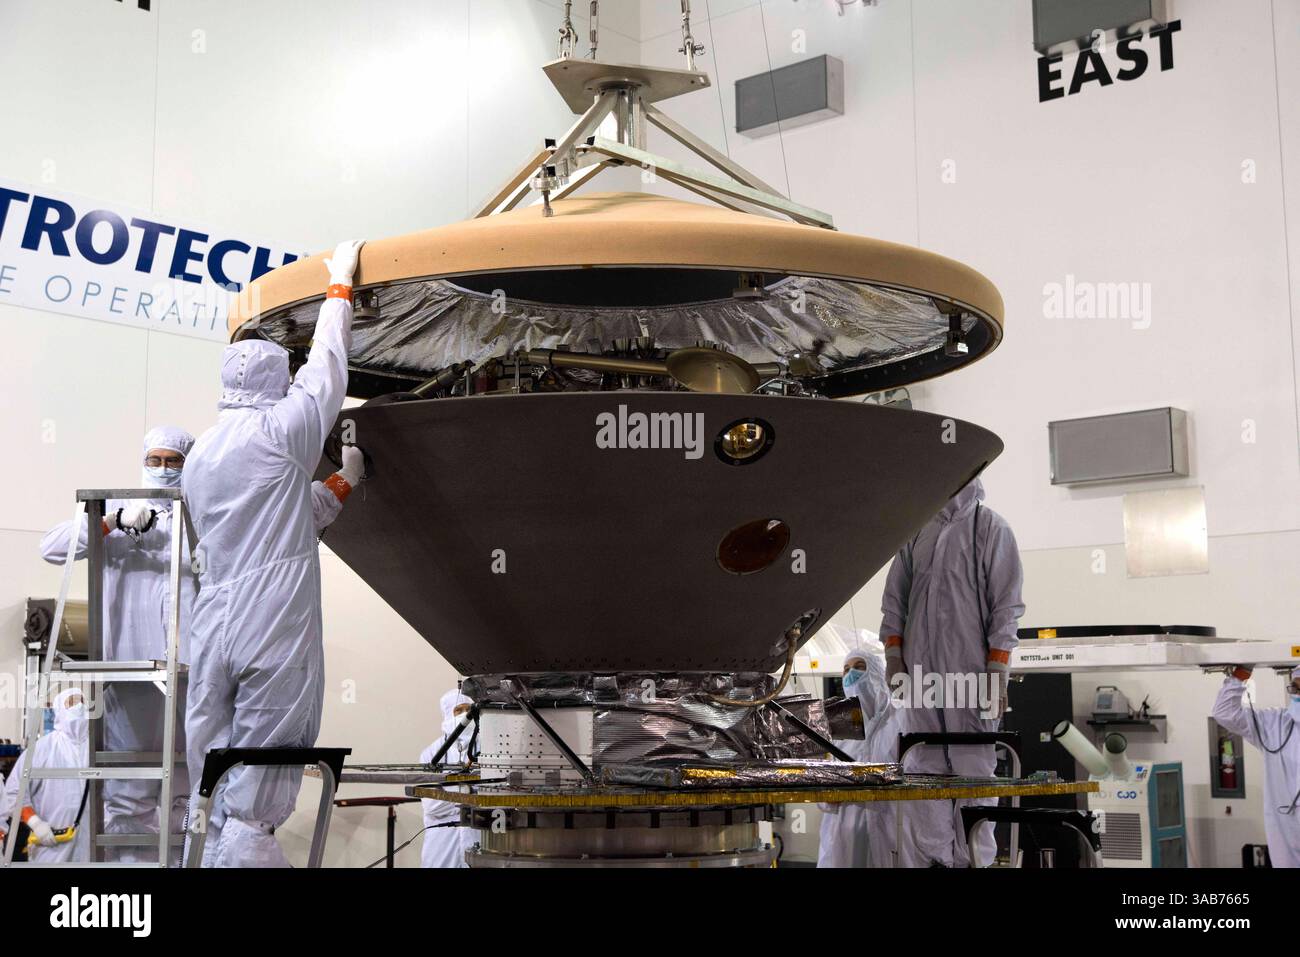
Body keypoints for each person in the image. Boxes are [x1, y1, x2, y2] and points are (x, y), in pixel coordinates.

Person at [182, 240, 367, 868]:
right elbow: (329, 370)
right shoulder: (281, 431)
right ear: (274, 380)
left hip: (214, 620)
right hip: (271, 621)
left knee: (211, 751)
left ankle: (212, 850)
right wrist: (339, 287)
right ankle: (247, 850)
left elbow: (280, 520)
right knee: (269, 753)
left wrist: (341, 484)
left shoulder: (201, 454)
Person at [38, 425, 196, 862]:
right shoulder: (115, 505)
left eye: (173, 462)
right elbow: (51, 548)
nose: (163, 470)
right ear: (142, 461)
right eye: (155, 460)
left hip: (192, 671)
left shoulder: (202, 515)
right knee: (130, 792)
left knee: (189, 790)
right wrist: (108, 522)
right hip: (128, 672)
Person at [879, 476, 1024, 867]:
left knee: (973, 773)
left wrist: (997, 669)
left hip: (971, 676)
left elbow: (1006, 607)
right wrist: (894, 653)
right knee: (924, 771)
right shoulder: (915, 532)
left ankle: (974, 861)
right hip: (921, 675)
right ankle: (935, 862)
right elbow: (895, 601)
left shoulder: (991, 528)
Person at [817, 643, 900, 868]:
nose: (851, 674)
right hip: (842, 830)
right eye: (846, 669)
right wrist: (826, 796)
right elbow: (825, 783)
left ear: (877, 673)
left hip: (887, 827)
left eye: (859, 667)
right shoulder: (840, 727)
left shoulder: (899, 721)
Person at [1213, 665, 1300, 867]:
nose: (1297, 695)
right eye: (1295, 689)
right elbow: (1225, 713)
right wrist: (1241, 674)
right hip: (1285, 826)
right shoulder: (1274, 724)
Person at [1, 689, 91, 863]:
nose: (78, 707)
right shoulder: (41, 749)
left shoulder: (98, 748)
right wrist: (35, 823)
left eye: (82, 702)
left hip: (92, 843)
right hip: (51, 844)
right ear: (59, 709)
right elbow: (14, 792)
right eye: (71, 703)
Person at [419, 689, 476, 868]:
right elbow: (432, 805)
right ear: (447, 714)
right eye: (458, 711)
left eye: (468, 710)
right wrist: (469, 791)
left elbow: (494, 800)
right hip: (441, 841)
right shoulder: (431, 754)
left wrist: (450, 793)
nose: (464, 716)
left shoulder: (487, 747)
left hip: (476, 837)